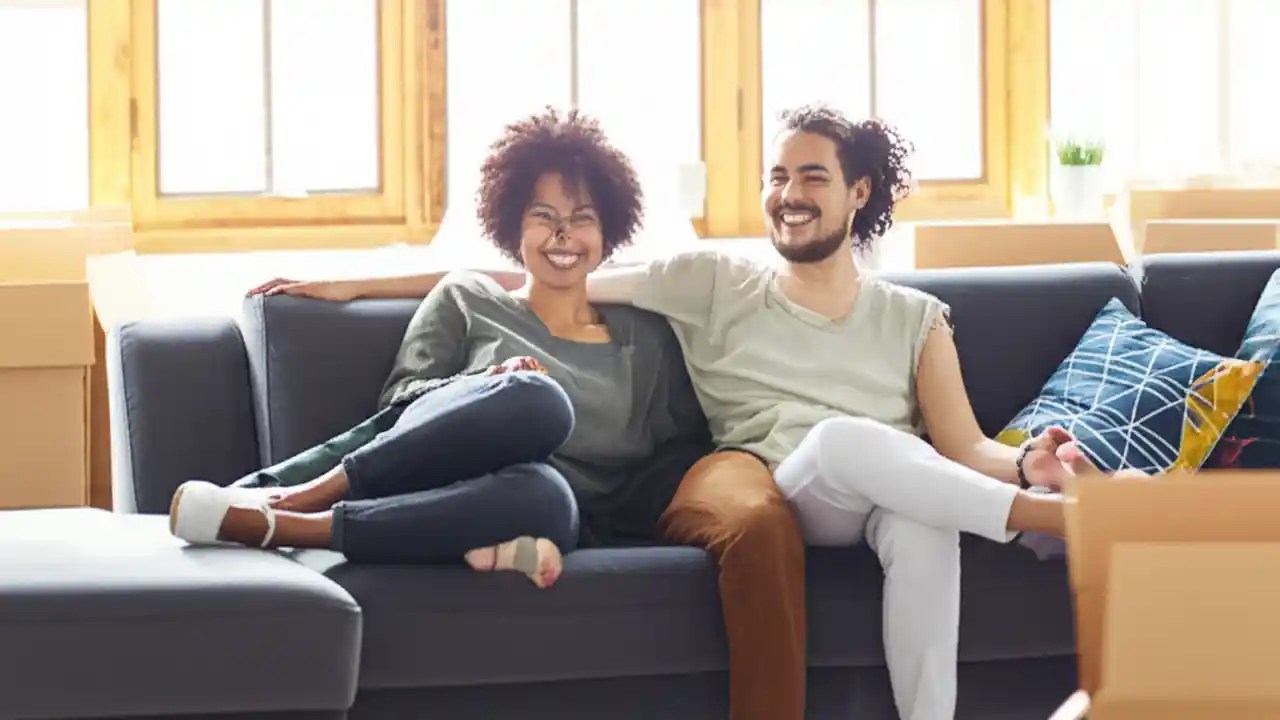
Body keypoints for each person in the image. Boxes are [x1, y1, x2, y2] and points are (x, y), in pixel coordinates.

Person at [255, 105, 1106, 720]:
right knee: (848, 440)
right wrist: (358, 281)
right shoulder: (713, 281)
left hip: (890, 490)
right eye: (777, 176)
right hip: (780, 477)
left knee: (924, 525)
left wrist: (1025, 460)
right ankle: (1053, 523)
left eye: (812, 176)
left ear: (858, 192)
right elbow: (546, 274)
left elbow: (961, 447)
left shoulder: (916, 319)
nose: (789, 193)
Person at [168, 107, 712, 592]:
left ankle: (285, 530)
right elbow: (403, 403)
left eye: (582, 219)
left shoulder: (643, 339)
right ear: (513, 228)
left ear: (608, 234)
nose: (562, 235)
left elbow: (680, 453)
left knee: (546, 497)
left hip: (537, 509)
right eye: (542, 216)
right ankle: (298, 497)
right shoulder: (468, 297)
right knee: (538, 399)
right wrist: (489, 384)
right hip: (449, 472)